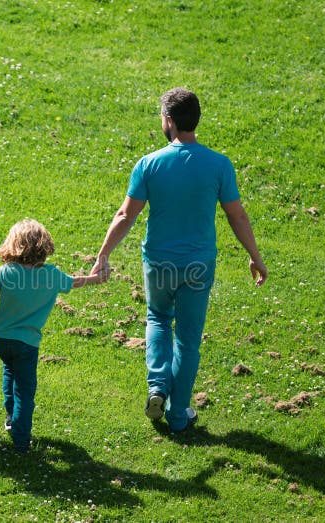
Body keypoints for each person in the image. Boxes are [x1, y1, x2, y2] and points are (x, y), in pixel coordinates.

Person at [91, 88, 267, 433]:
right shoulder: (219, 165)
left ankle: (157, 386)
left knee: (157, 317)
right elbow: (238, 217)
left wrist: (103, 253)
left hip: (158, 262)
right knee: (188, 338)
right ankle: (178, 414)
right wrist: (255, 257)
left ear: (168, 120)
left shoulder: (150, 164)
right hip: (199, 265)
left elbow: (126, 214)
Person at [0, 219, 109, 452]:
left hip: (1, 339)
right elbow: (75, 282)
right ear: (44, 247)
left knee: (9, 369)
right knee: (25, 388)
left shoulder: (5, 272)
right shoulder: (52, 275)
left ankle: (10, 415)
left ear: (13, 245)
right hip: (27, 342)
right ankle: (21, 439)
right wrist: (97, 278)